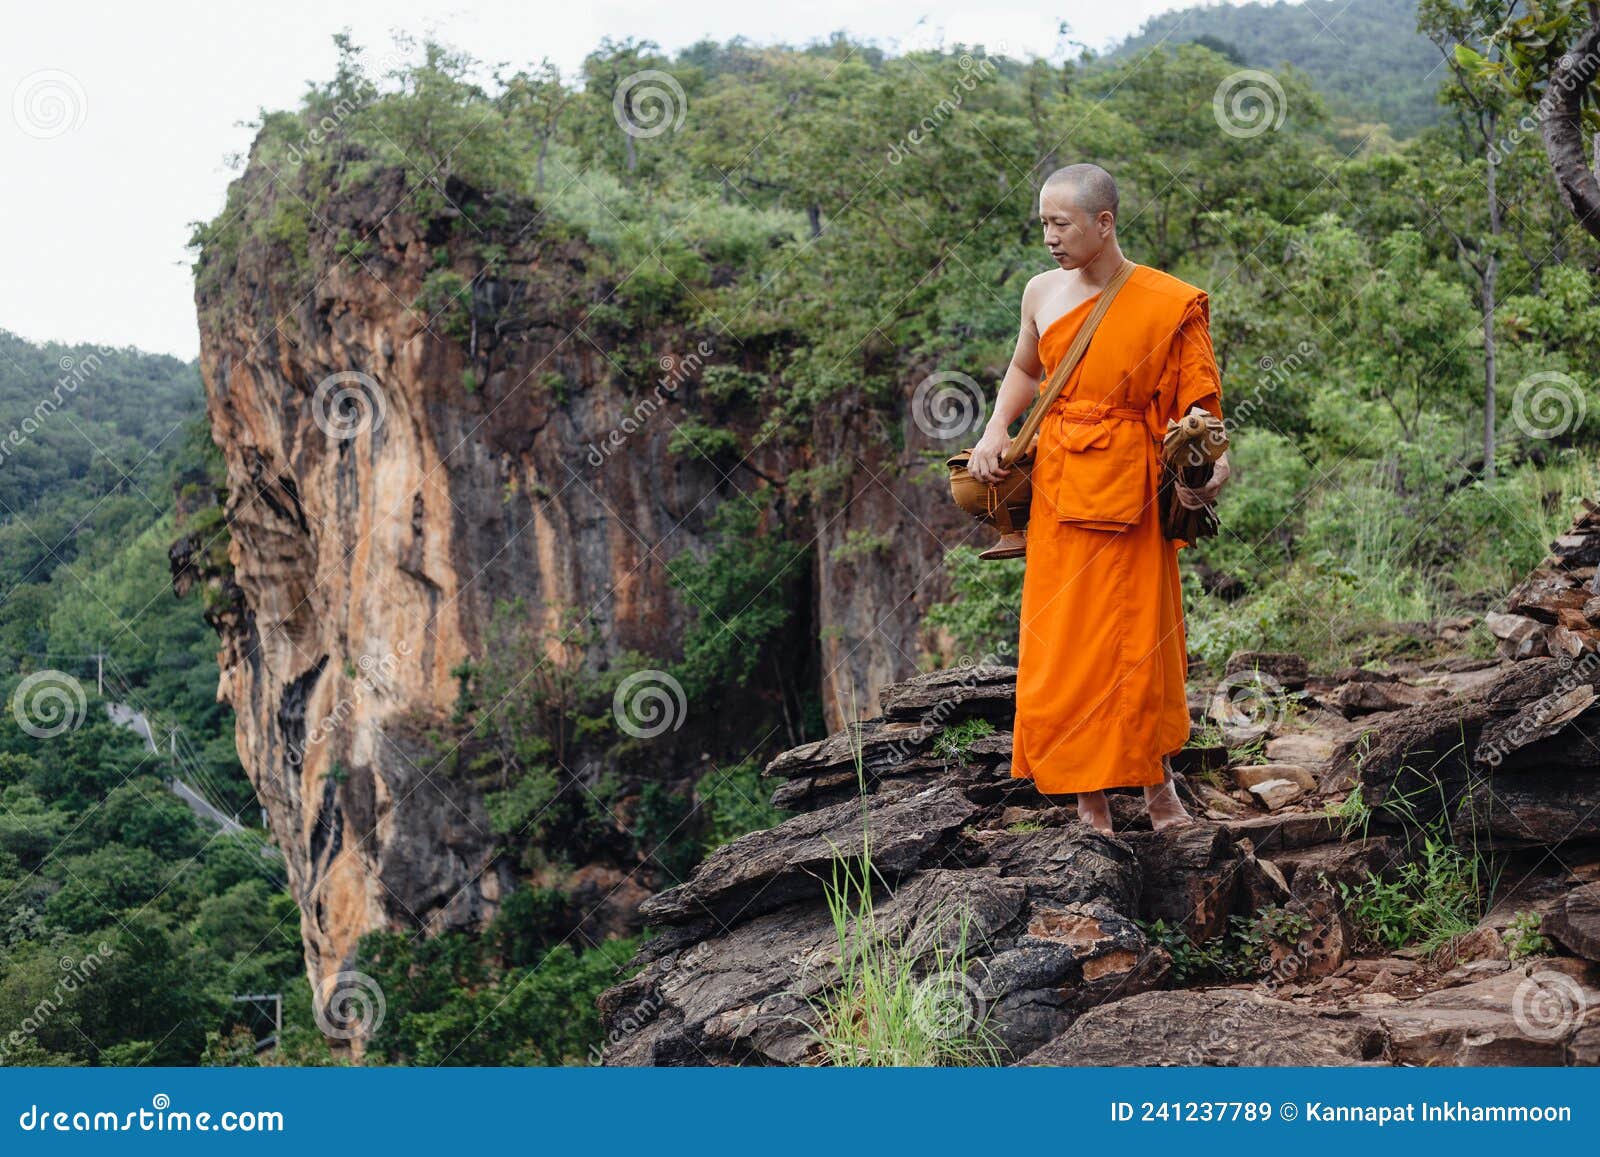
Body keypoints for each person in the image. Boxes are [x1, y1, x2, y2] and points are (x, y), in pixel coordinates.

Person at [966, 162, 1232, 835]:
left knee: (1137, 649)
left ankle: (1159, 791)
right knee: (1068, 651)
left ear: (1103, 222)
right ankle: (1090, 802)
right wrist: (997, 429)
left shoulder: (1166, 302)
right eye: (1043, 224)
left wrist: (1207, 471)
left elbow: (1200, 413)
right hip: (1060, 493)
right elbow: (1027, 368)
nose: (1049, 238)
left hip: (1134, 496)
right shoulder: (1041, 291)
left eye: (1061, 224)